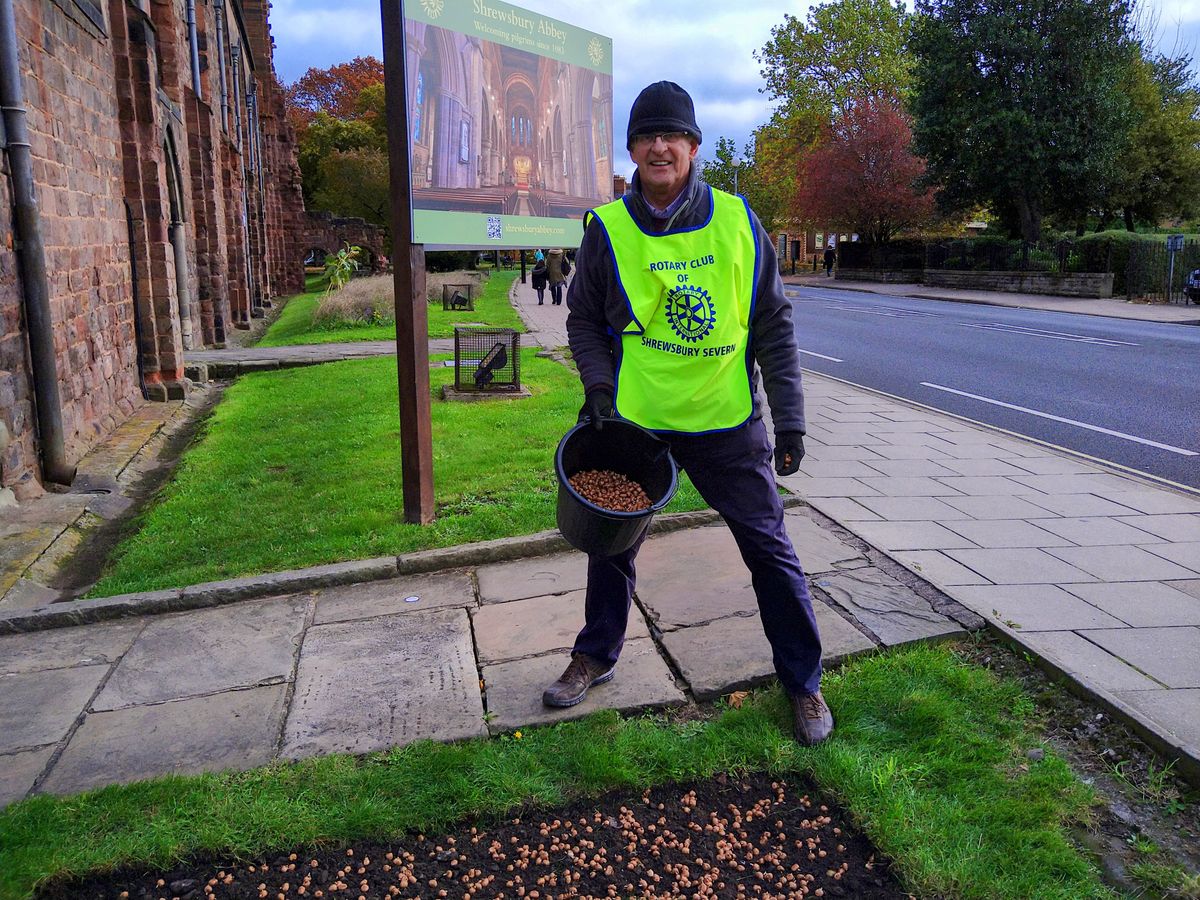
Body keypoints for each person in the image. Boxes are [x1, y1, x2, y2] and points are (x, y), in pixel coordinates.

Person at [548, 81, 832, 747]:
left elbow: (773, 326)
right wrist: (597, 389)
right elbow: (584, 319)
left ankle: (804, 683)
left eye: (670, 135)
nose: (658, 146)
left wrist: (789, 420)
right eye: (645, 136)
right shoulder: (607, 229)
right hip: (637, 422)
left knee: (770, 549)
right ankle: (596, 655)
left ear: (693, 146)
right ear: (633, 150)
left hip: (726, 421)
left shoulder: (738, 221)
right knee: (609, 545)